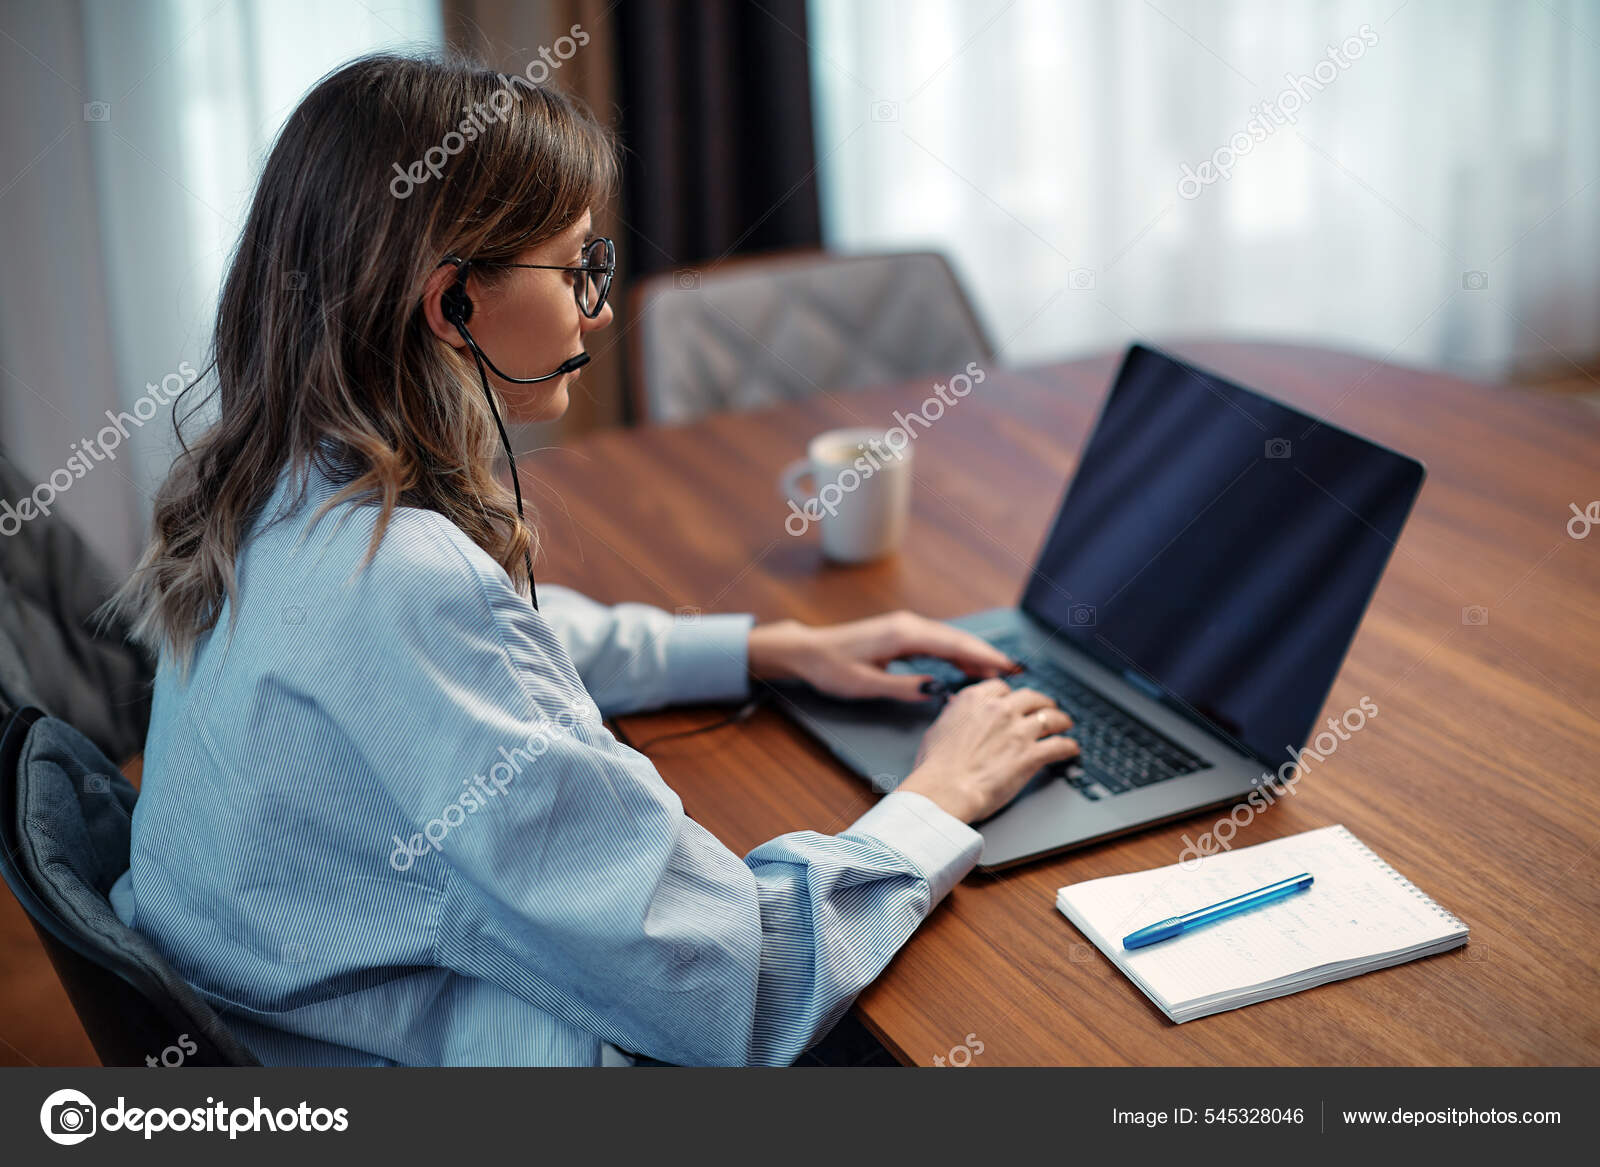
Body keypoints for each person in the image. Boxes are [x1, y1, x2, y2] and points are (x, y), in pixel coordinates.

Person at [107, 53, 1080, 1067]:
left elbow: (490, 653)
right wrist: (938, 796)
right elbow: (728, 984)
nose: (598, 308)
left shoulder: (276, 486)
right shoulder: (406, 586)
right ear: (455, 309)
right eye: (575, 269)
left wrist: (765, 648)